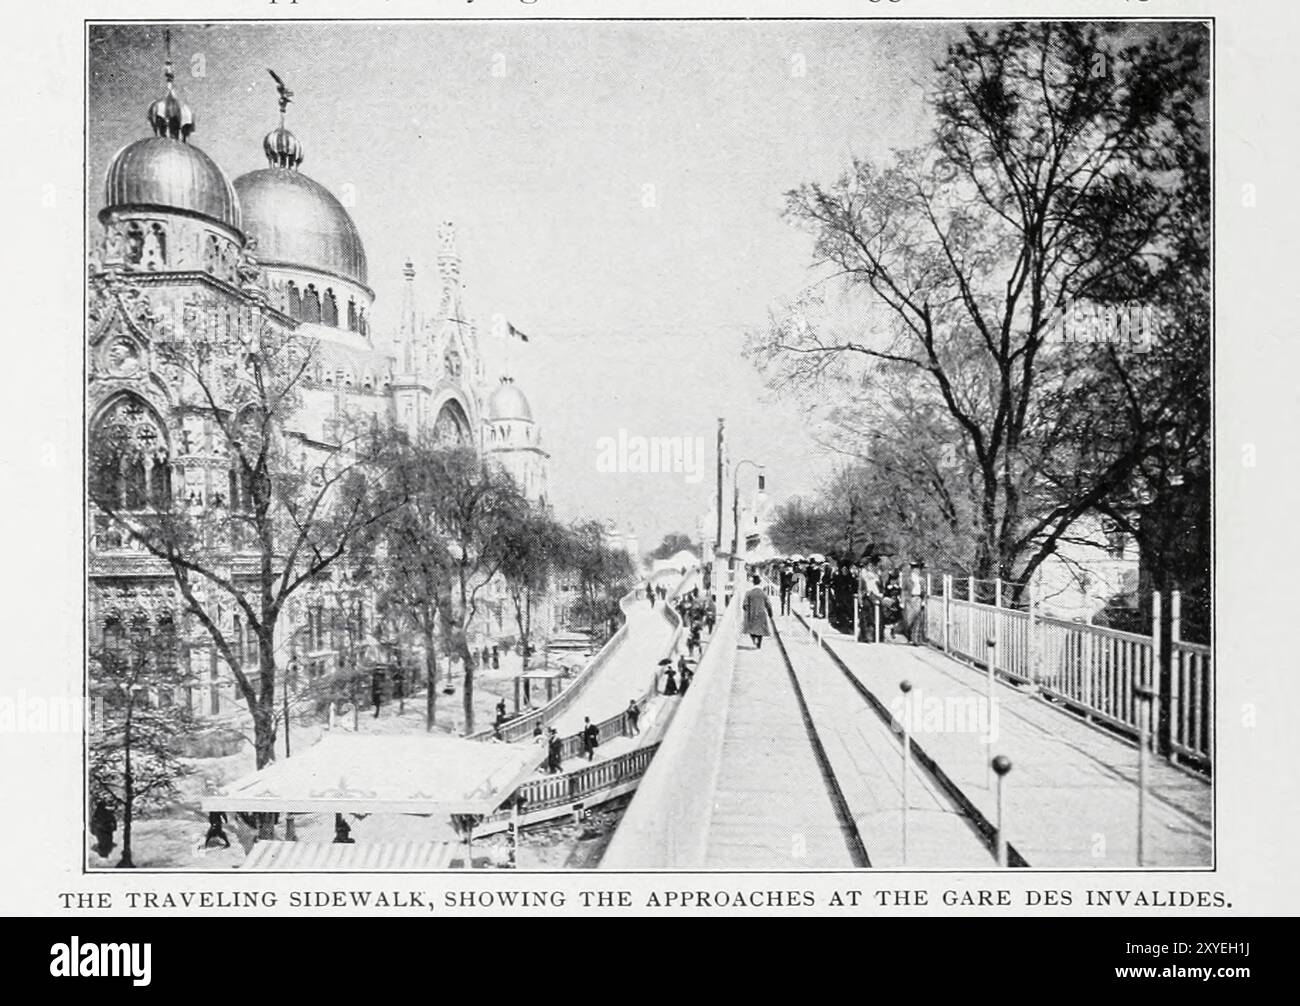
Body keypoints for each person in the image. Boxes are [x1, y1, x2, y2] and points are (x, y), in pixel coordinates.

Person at [742, 574, 772, 649]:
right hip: (761, 614)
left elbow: (745, 605)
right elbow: (768, 604)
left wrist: (747, 612)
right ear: (760, 582)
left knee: (751, 630)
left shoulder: (748, 593)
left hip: (751, 614)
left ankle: (754, 641)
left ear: (753, 583)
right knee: (760, 630)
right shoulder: (763, 593)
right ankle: (759, 644)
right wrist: (770, 614)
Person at [903, 560, 928, 645]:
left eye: (918, 569)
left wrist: (923, 601)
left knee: (917, 619)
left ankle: (915, 639)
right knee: (909, 620)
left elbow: (925, 592)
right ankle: (908, 635)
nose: (916, 571)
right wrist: (902, 601)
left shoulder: (922, 580)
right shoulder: (908, 579)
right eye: (915, 569)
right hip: (910, 599)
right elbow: (904, 590)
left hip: (918, 599)